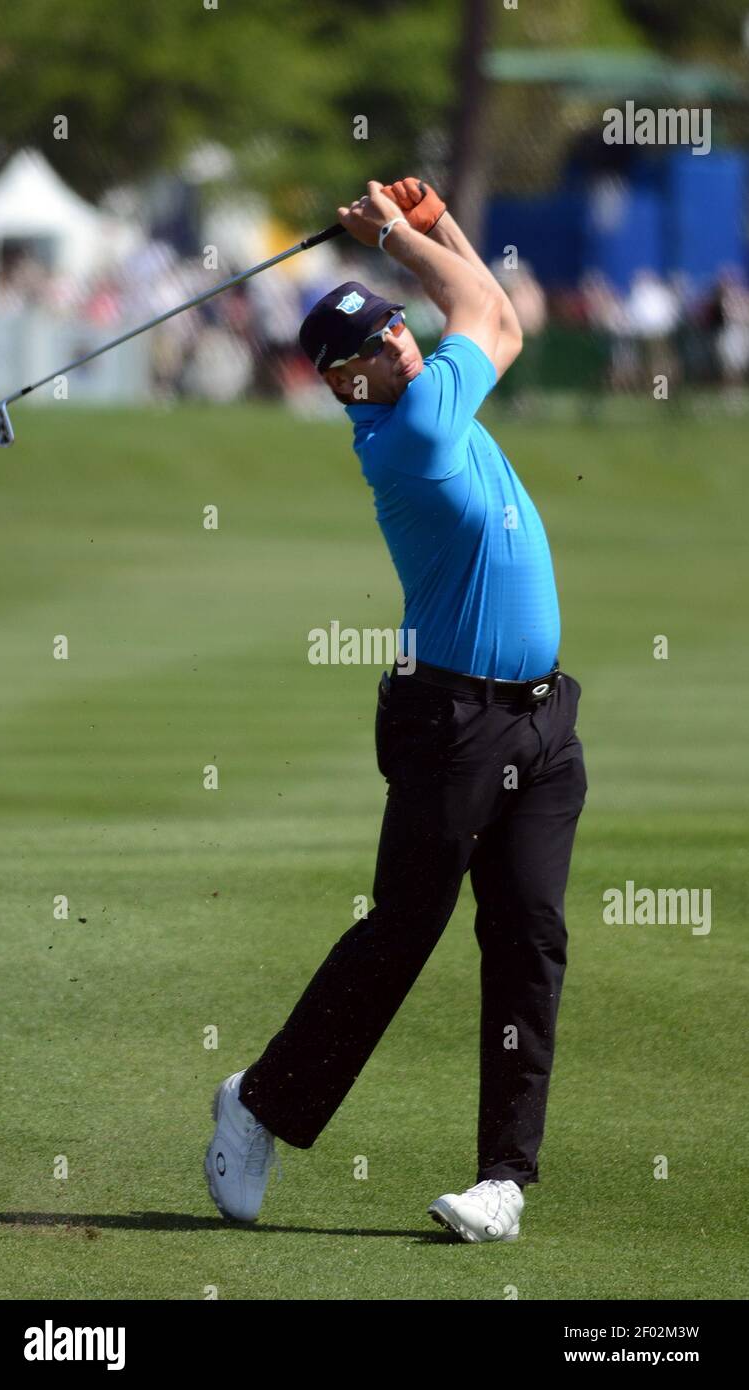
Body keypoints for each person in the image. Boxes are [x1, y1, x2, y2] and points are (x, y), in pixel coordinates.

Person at [205, 178, 588, 1243]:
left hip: (542, 723)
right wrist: (404, 241)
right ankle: (258, 1103)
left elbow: (494, 317)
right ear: (344, 382)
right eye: (380, 342)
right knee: (400, 934)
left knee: (529, 938)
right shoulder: (412, 431)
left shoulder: (432, 389)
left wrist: (431, 232)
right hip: (450, 726)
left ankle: (503, 1180)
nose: (405, 345)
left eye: (398, 328)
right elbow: (476, 311)